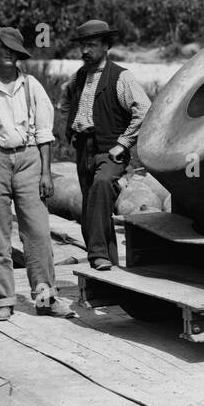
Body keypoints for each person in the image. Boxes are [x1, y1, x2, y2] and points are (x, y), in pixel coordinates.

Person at [0, 27, 75, 322]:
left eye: (14, 51)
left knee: (38, 233)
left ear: (19, 55)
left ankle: (45, 299)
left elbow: (44, 134)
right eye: (3, 49)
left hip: (28, 160)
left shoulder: (31, 86)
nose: (8, 56)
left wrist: (46, 174)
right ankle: (4, 299)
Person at [57, 19, 151, 272]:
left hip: (110, 150)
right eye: (83, 46)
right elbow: (64, 103)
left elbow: (144, 109)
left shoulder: (121, 77)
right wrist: (70, 129)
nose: (85, 51)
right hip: (83, 147)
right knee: (92, 207)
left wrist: (123, 143)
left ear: (105, 46)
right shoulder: (78, 77)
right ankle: (108, 264)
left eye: (92, 45)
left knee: (101, 187)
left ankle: (97, 254)